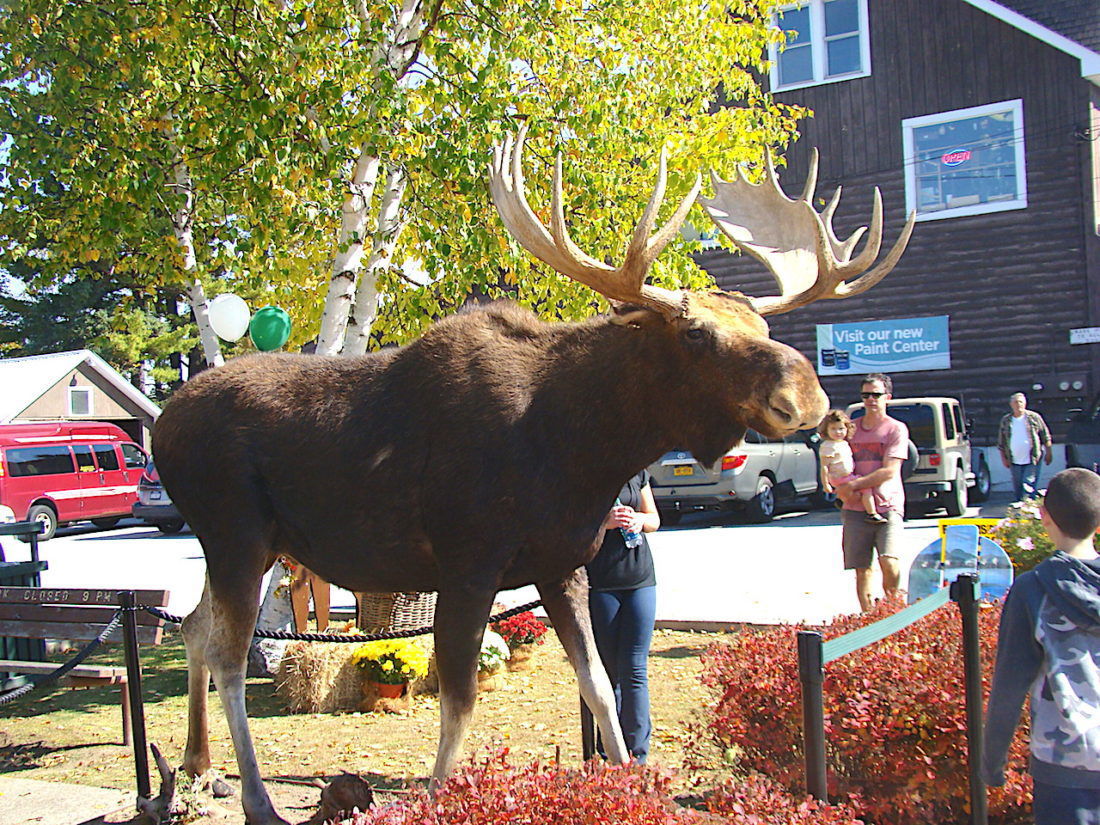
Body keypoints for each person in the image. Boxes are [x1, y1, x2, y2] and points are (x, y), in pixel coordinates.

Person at [983, 468, 1100, 824]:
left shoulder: (1032, 590)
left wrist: (992, 762)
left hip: (1063, 766)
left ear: (1044, 516)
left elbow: (1009, 684)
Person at [586, 469, 661, 763]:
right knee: (609, 670)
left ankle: (638, 754)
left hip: (640, 579)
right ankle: (611, 751)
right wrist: (604, 523)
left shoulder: (637, 473)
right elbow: (569, 526)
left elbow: (654, 519)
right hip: (602, 582)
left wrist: (640, 520)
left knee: (635, 668)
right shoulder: (587, 474)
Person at [832, 373, 910, 613]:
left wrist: (854, 485)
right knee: (861, 568)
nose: (870, 400)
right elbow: (834, 457)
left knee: (889, 560)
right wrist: (837, 485)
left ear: (887, 397)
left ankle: (893, 611)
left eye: (876, 394)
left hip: (887, 504)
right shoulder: (850, 429)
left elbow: (889, 470)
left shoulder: (895, 429)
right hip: (854, 507)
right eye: (865, 395)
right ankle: (868, 616)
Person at [818, 409, 886, 524]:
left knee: (857, 492)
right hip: (838, 477)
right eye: (833, 429)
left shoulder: (843, 443)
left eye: (841, 428)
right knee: (866, 489)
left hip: (847, 475)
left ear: (847, 429)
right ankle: (872, 513)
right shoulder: (828, 446)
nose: (838, 432)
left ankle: (841, 500)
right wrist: (826, 484)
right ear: (826, 430)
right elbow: (824, 466)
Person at [997, 392, 1053, 502]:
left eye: (1020, 402)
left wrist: (1049, 452)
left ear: (1025, 403)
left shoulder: (1034, 417)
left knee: (1028, 483)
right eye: (1015, 402)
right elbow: (1001, 442)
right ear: (1011, 405)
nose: (1018, 405)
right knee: (1018, 485)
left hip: (1032, 457)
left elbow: (1045, 435)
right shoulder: (1006, 420)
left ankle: (1028, 506)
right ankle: (1020, 506)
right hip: (1014, 459)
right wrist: (1003, 458)